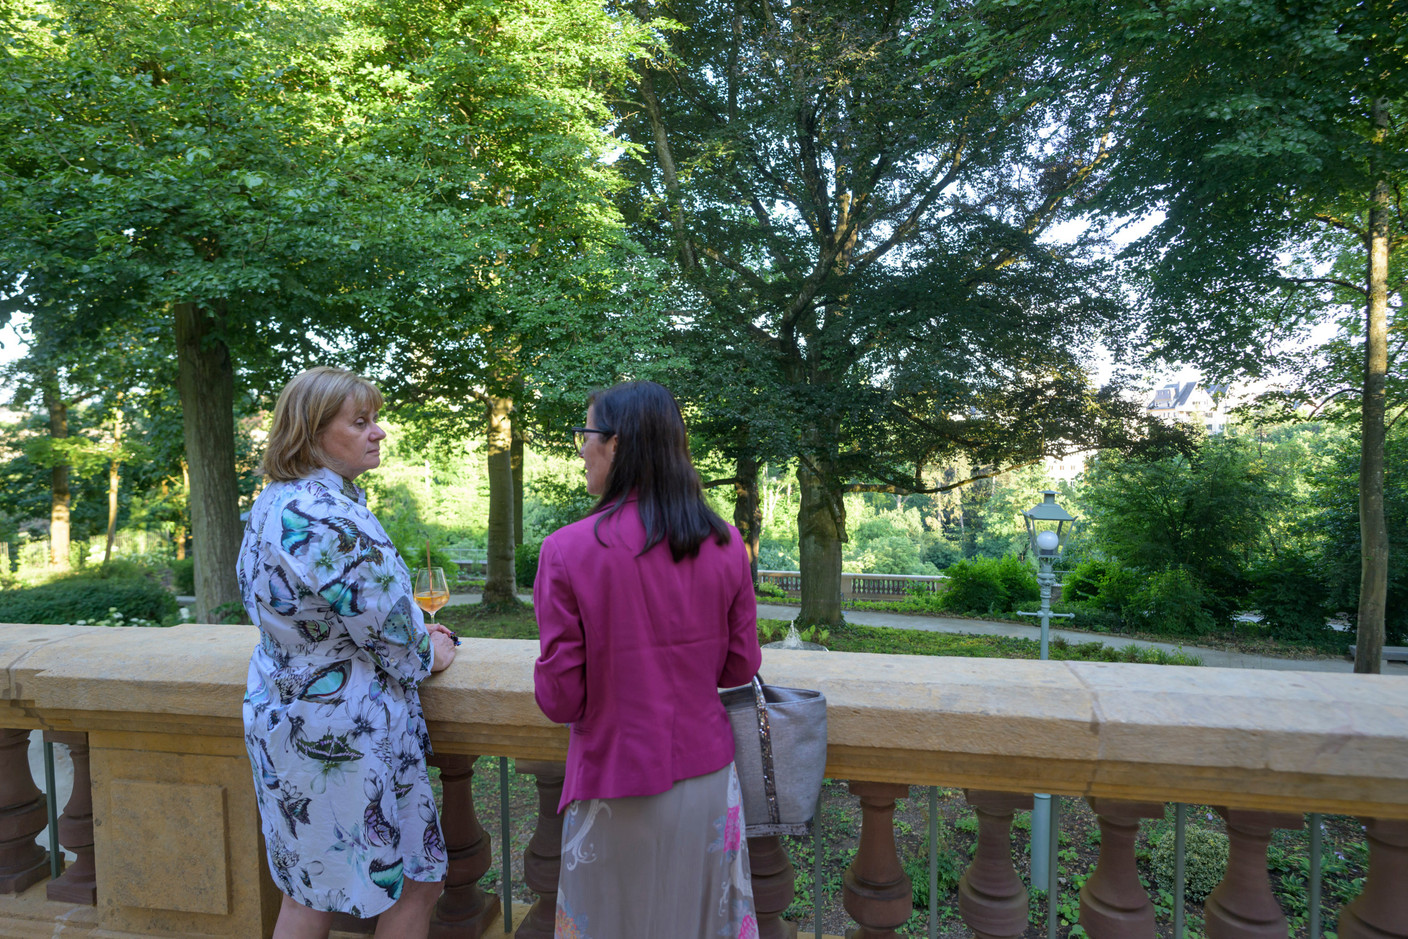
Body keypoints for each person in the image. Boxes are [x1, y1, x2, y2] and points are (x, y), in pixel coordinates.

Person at [534, 380, 764, 938]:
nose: (580, 448)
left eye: (585, 435)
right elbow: (739, 668)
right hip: (706, 778)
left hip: (614, 780)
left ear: (615, 444)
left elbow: (560, 697)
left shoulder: (567, 549)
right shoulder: (728, 543)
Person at [239, 366, 457, 939]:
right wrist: (438, 647)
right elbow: (403, 649)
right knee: (416, 884)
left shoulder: (272, 504)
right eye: (360, 422)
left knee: (306, 893)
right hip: (345, 735)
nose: (378, 432)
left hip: (284, 721)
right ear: (310, 434)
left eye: (375, 420)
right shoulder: (334, 519)